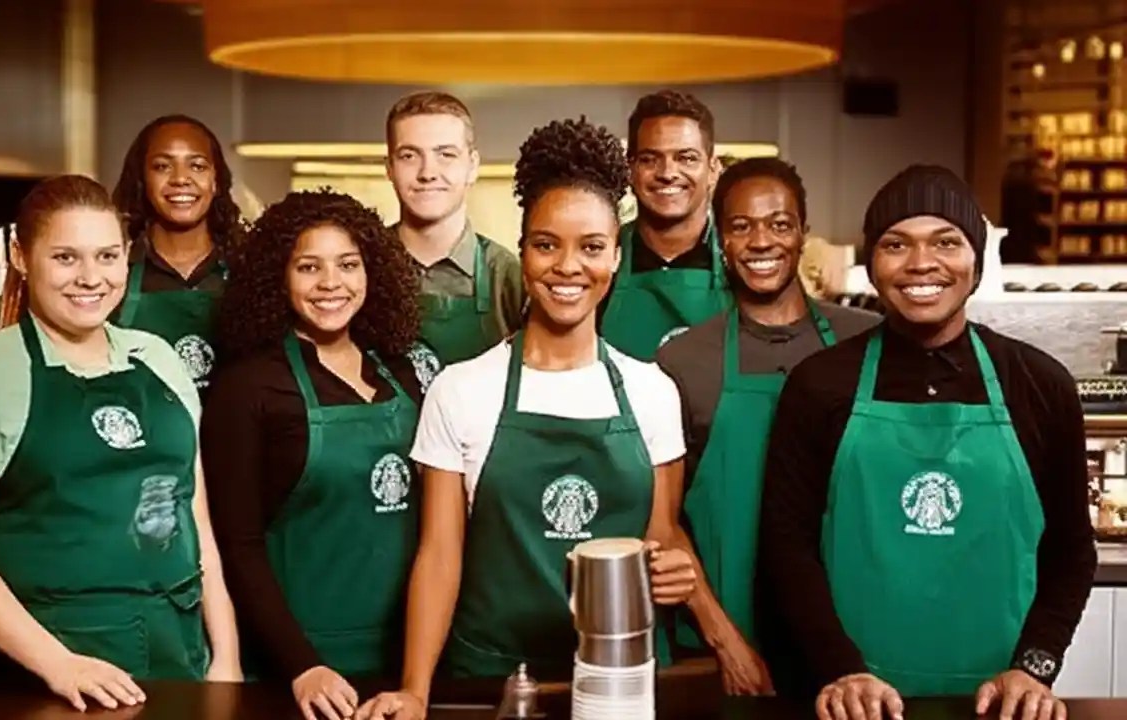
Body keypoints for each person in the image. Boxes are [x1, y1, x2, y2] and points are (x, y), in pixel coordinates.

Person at [357, 117, 700, 720]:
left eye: (591, 247)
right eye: (546, 245)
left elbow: (661, 537)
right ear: (523, 252)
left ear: (616, 256)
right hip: (489, 677)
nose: (568, 266)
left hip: (618, 677)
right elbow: (439, 556)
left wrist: (678, 575)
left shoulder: (652, 392)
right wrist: (415, 689)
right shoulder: (461, 390)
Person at [759, 165, 1096, 720]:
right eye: (896, 244)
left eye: (946, 242)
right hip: (858, 702)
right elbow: (786, 545)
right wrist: (841, 668)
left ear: (976, 261)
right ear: (873, 264)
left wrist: (1033, 667)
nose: (921, 263)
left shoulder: (1039, 384)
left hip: (999, 700)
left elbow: (1071, 550)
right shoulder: (819, 384)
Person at [0, 175, 242, 712]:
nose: (91, 278)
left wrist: (225, 656)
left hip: (176, 654)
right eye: (66, 258)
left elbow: (194, 520)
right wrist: (59, 664)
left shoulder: (158, 359)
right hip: (46, 669)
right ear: (21, 257)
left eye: (107, 256)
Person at [657, 158, 880, 695]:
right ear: (721, 240)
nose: (761, 241)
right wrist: (725, 643)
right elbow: (663, 523)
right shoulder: (682, 361)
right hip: (727, 646)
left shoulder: (869, 343)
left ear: (803, 233)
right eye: (741, 226)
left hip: (857, 644)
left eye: (780, 224)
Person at [201, 189, 426, 720]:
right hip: (297, 666)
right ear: (278, 278)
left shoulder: (400, 373)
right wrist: (302, 665)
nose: (331, 283)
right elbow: (238, 544)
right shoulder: (249, 387)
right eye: (309, 267)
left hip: (404, 661)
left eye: (348, 264)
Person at [385, 91, 525, 388]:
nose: (427, 173)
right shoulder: (358, 267)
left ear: (472, 166)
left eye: (446, 155)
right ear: (389, 168)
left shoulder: (508, 276)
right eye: (409, 156)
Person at [111, 114, 245, 393]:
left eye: (197, 166)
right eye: (162, 166)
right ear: (142, 180)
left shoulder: (248, 268)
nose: (181, 179)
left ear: (216, 181)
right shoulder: (114, 271)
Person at [599, 90, 731, 360]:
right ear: (630, 170)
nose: (668, 173)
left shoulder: (741, 260)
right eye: (650, 159)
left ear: (713, 170)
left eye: (687, 158)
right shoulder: (599, 258)